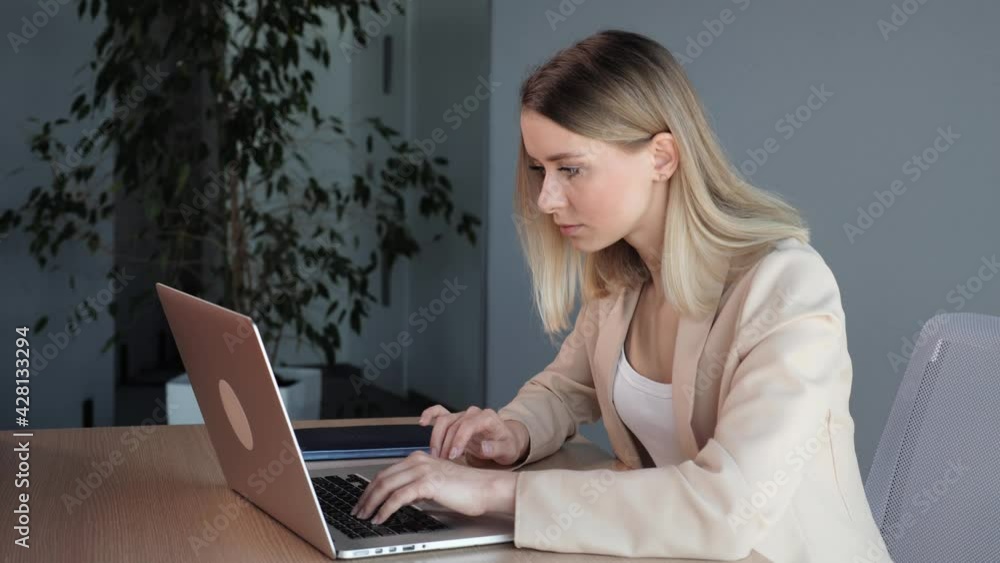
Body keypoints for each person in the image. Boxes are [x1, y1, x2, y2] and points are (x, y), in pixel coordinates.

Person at [349, 29, 891, 562]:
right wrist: (511, 432)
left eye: (570, 169)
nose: (544, 199)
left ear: (661, 158)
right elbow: (565, 388)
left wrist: (497, 494)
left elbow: (728, 509)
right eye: (540, 170)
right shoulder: (625, 280)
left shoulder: (787, 288)